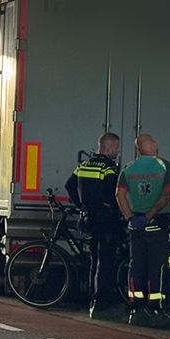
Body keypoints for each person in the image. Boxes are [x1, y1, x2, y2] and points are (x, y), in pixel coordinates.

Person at [116, 134, 170, 329]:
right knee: (157, 265)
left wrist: (131, 218)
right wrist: (151, 215)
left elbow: (119, 195)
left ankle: (136, 308)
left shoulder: (128, 169)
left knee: (136, 264)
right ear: (153, 145)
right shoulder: (166, 167)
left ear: (138, 149)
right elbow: (166, 196)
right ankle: (156, 308)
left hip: (136, 223)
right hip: (156, 222)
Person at [68, 132, 125, 320]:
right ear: (108, 148)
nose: (117, 151)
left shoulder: (84, 165)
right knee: (106, 261)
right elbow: (114, 193)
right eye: (116, 148)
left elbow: (69, 185)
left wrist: (81, 204)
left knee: (94, 259)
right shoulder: (109, 168)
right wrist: (115, 208)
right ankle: (102, 304)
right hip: (106, 220)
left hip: (88, 218)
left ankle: (91, 299)